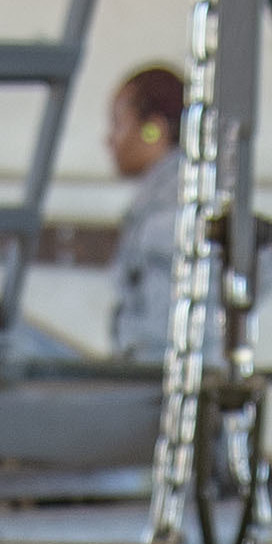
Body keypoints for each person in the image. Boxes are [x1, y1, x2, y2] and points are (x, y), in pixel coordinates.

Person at [103, 62, 194, 363]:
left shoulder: (171, 212)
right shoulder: (165, 199)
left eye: (118, 123)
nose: (109, 140)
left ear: (154, 129)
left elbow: (159, 331)